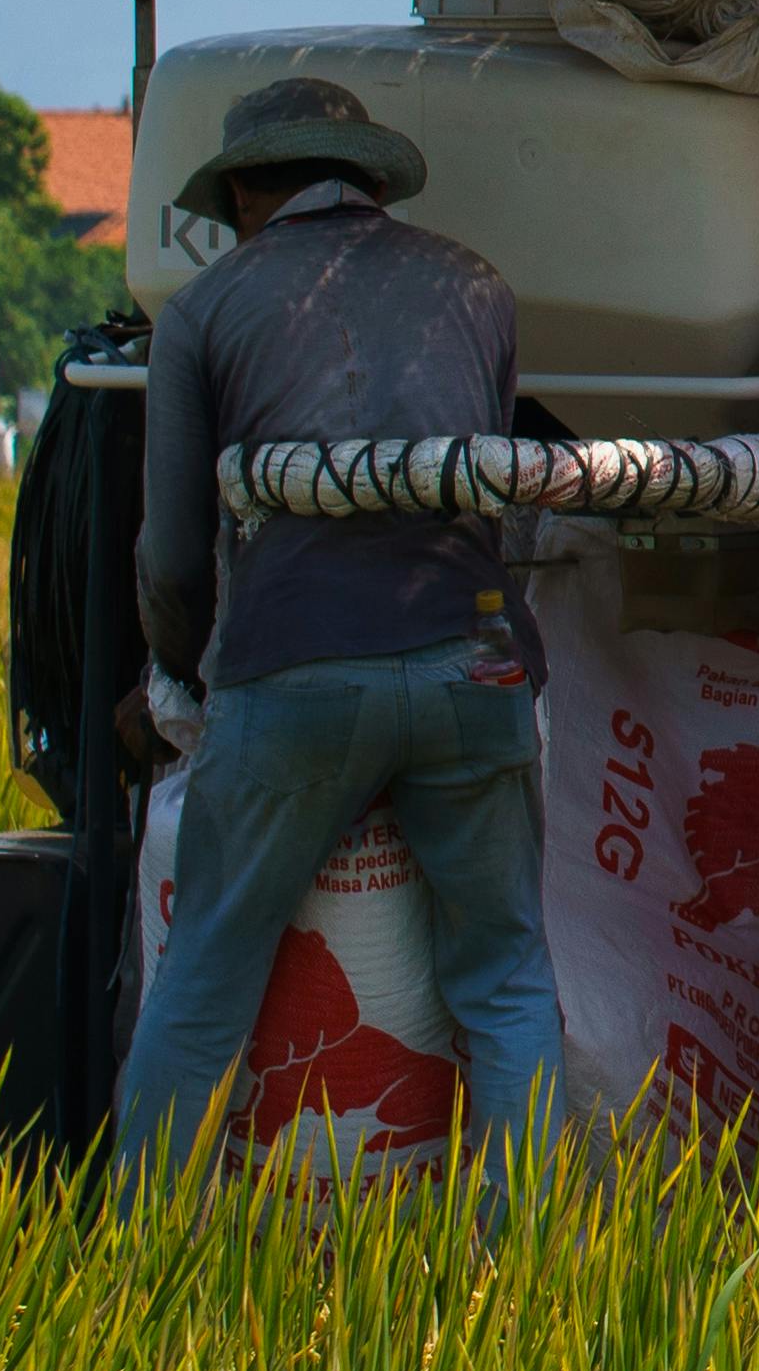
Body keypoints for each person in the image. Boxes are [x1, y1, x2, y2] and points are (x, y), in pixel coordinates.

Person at [111, 75, 560, 1201]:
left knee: (206, 976)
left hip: (294, 674)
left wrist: (178, 680)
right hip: (475, 658)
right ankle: (536, 1272)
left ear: (252, 190)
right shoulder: (478, 286)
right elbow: (491, 496)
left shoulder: (204, 313)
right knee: (505, 977)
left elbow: (171, 557)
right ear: (362, 180)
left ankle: (129, 1265)